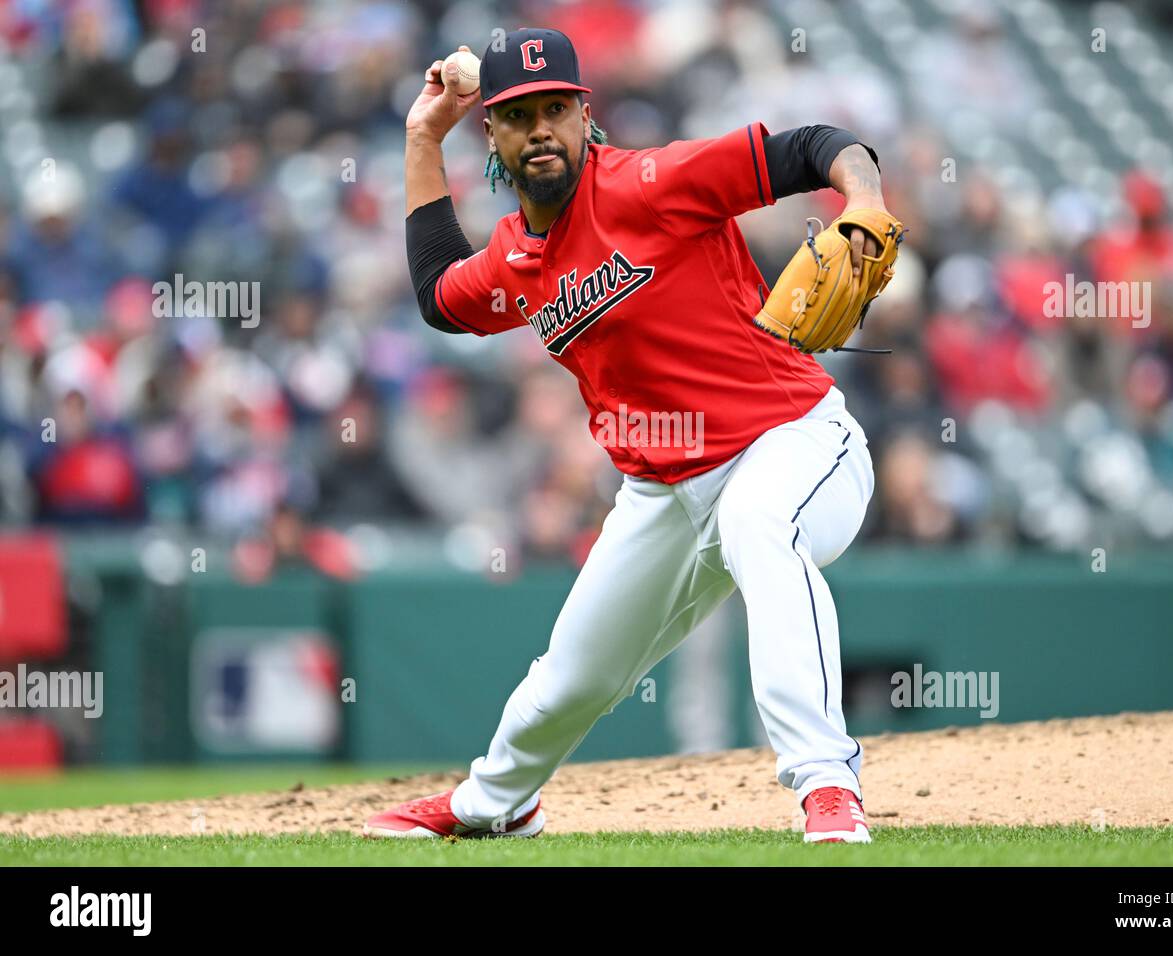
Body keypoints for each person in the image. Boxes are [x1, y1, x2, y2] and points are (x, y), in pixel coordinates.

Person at [365, 28, 894, 844]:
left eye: (555, 109)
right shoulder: (514, 259)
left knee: (761, 524)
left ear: (585, 116)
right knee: (571, 678)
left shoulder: (654, 182)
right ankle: (495, 803)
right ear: (494, 138)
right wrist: (423, 136)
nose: (539, 128)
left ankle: (826, 783)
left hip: (792, 441)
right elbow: (439, 295)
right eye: (517, 116)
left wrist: (863, 200)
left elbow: (817, 145)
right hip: (660, 491)